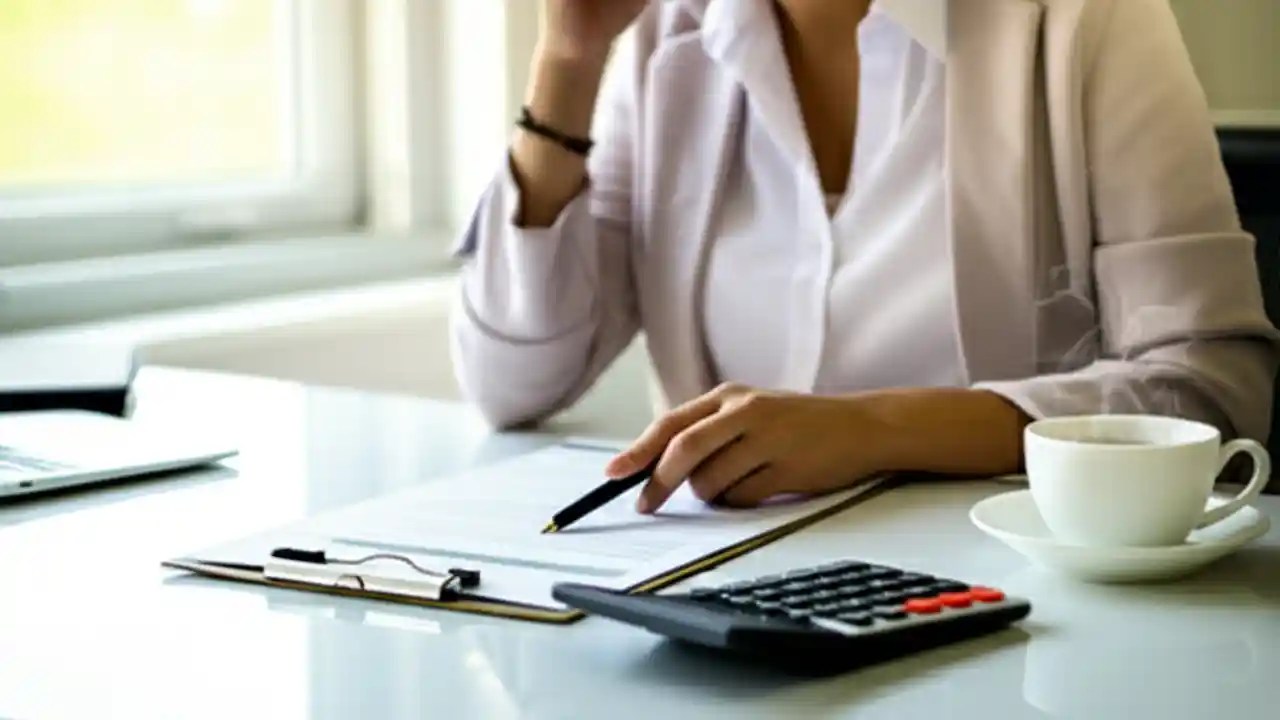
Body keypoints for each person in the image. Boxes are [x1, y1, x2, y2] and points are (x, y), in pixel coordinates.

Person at [451, 0, 1278, 513]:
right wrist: (568, 56)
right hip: (737, 607)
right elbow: (509, 383)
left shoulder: (1085, 16)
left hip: (1018, 614)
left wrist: (874, 429)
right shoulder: (669, 31)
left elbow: (1210, 392)